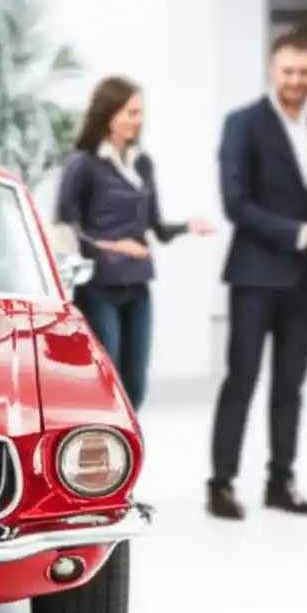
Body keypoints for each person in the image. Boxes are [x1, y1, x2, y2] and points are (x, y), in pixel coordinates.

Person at [207, 27, 307, 520]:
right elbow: (236, 203)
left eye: (304, 72)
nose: (296, 80)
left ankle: (280, 481)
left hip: (303, 278)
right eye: (287, 71)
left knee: (290, 386)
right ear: (273, 72)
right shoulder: (243, 124)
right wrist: (297, 233)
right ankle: (222, 483)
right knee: (242, 380)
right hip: (254, 276)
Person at [56, 76, 215, 411]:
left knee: (136, 386)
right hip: (99, 287)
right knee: (105, 379)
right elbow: (65, 227)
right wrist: (114, 246)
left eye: (140, 113)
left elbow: (155, 228)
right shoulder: (83, 165)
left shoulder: (143, 163)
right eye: (130, 112)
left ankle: (126, 454)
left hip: (138, 286)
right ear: (108, 115)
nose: (137, 120)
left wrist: (188, 226)